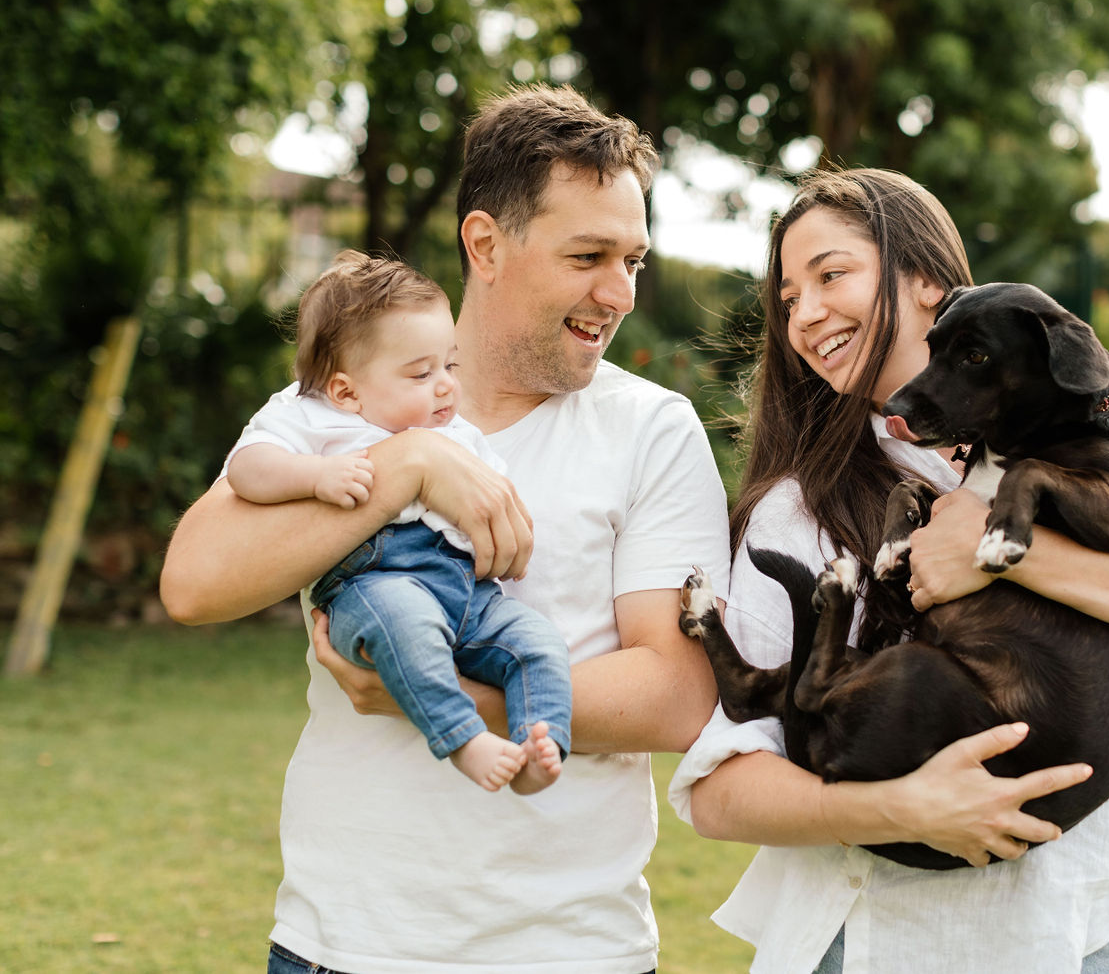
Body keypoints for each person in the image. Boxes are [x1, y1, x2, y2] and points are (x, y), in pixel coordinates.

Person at [160, 85, 731, 974]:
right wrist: (409, 468)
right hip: (340, 943)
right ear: (484, 243)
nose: (618, 292)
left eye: (634, 259)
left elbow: (677, 693)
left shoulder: (652, 429)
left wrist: (444, 700)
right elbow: (194, 583)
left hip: (569, 950)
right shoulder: (344, 393)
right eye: (589, 255)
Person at [669, 168, 1109, 973]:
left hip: (1095, 931)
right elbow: (719, 788)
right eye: (786, 298)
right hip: (884, 944)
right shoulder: (797, 509)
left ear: (929, 285)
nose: (805, 314)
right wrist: (898, 807)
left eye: (831, 274)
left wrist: (1001, 551)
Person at [224, 251, 569, 794]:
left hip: (467, 595)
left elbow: (494, 504)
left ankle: (539, 743)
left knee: (537, 641)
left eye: (449, 365)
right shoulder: (315, 418)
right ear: (346, 390)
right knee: (407, 625)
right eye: (421, 373)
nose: (446, 386)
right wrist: (315, 477)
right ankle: (464, 740)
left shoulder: (457, 435)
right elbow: (247, 470)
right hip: (374, 584)